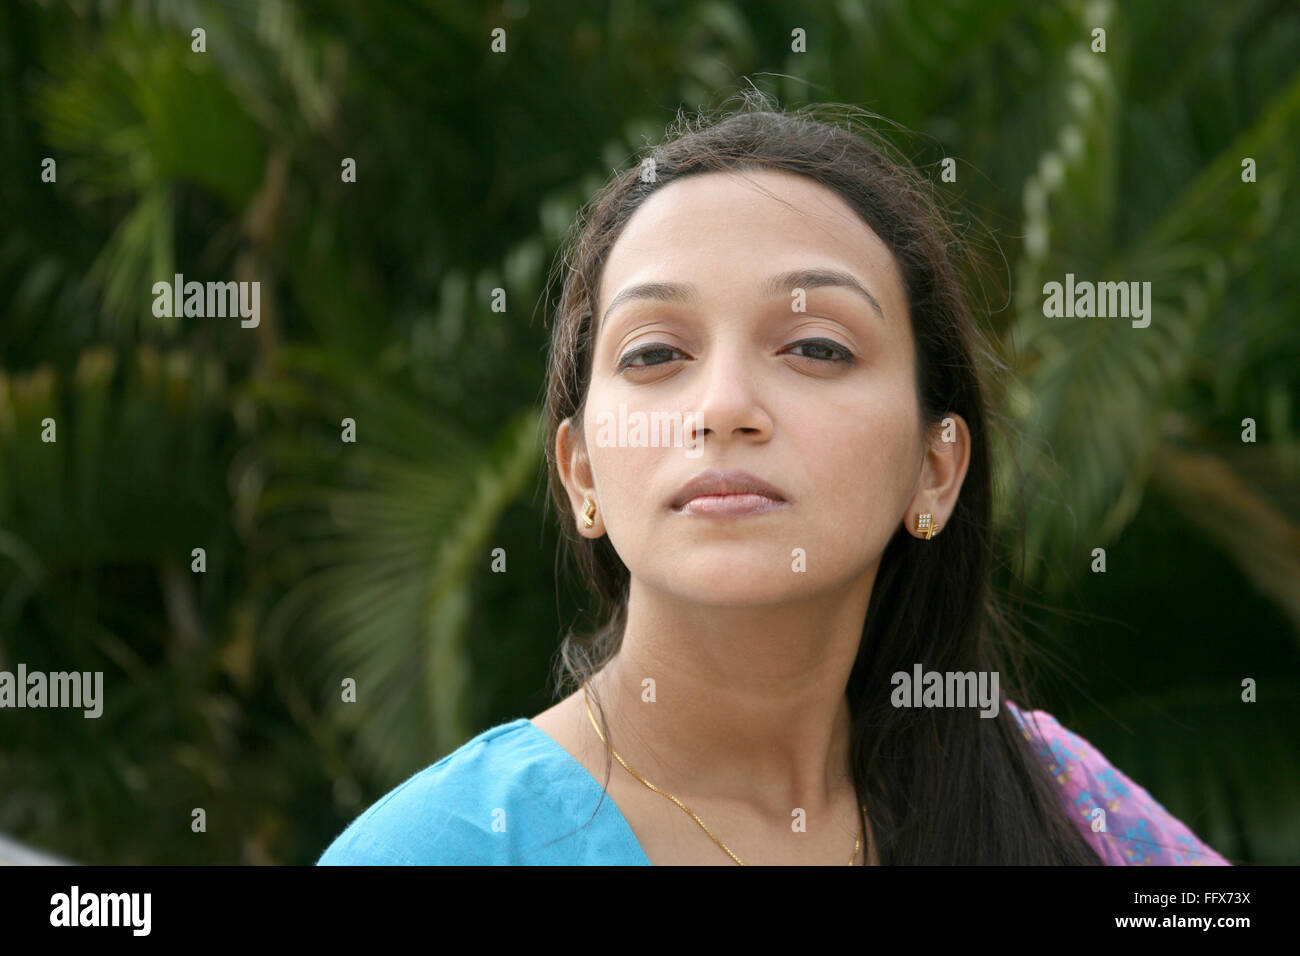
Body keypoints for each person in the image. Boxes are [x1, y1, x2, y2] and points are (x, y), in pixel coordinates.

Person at [318, 93, 1230, 866]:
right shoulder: (443, 847)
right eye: (656, 353)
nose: (723, 406)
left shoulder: (1061, 807)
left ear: (937, 467)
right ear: (580, 471)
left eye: (817, 347)